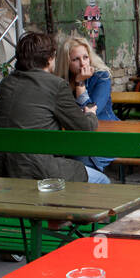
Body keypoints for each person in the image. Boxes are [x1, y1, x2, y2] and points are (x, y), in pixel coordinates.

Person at [0, 31, 110, 183]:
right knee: (103, 181)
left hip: (0, 168)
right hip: (36, 169)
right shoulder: (55, 85)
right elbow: (84, 127)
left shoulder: (7, 83)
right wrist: (90, 113)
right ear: (50, 58)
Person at [55, 34, 118, 173]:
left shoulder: (102, 76)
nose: (83, 63)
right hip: (74, 135)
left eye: (85, 57)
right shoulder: (60, 82)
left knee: (79, 161)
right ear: (66, 62)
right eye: (75, 59)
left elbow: (92, 111)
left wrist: (80, 83)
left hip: (103, 132)